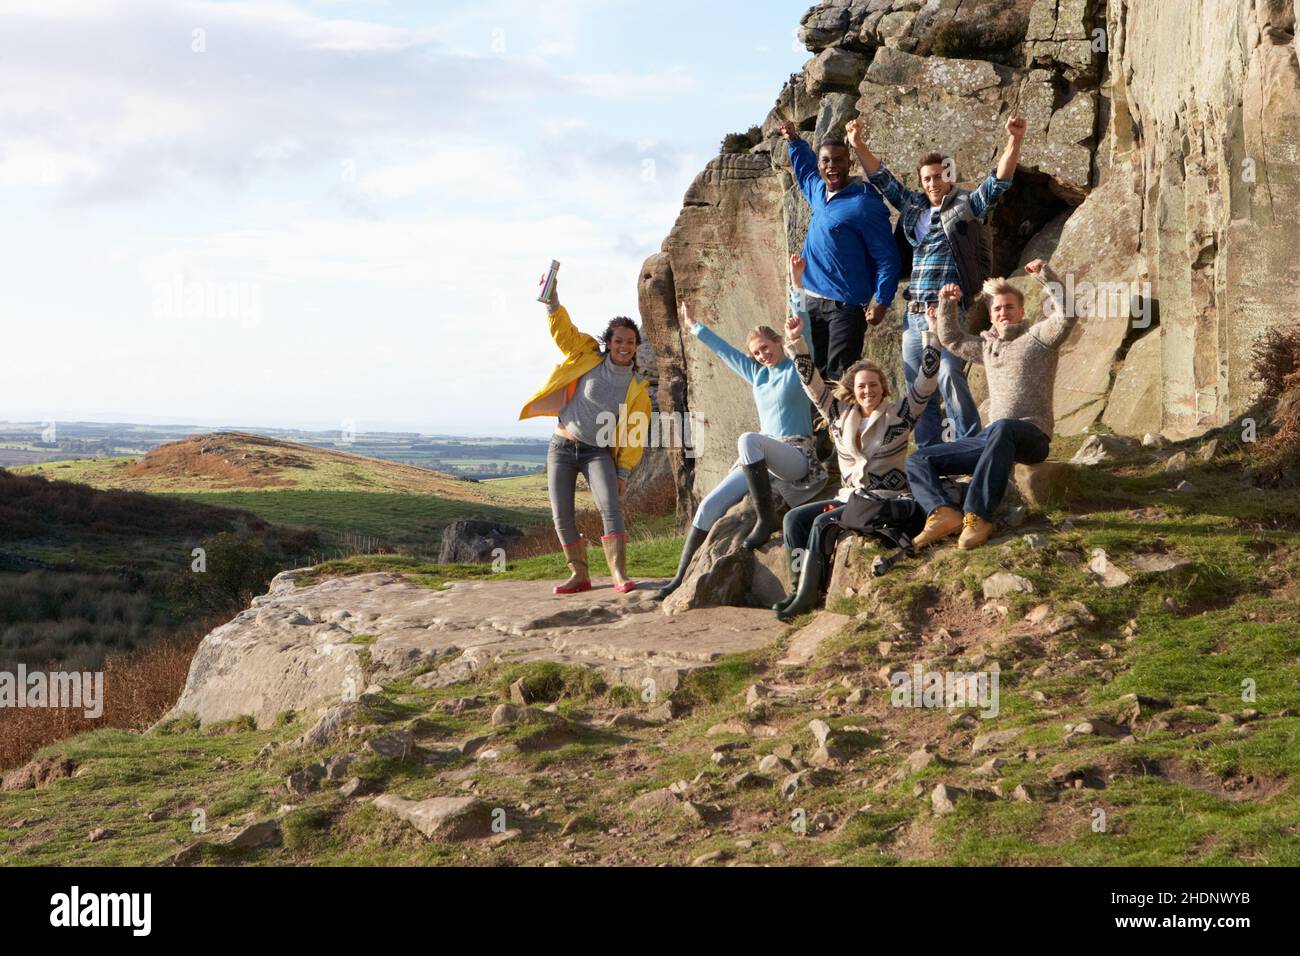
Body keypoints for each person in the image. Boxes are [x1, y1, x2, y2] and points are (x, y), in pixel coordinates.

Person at [775, 253, 940, 620]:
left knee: (820, 523)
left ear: (883, 388)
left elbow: (926, 383)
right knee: (794, 521)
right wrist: (796, 314)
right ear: (853, 389)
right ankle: (798, 586)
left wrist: (930, 333)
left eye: (874, 385)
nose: (868, 391)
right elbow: (809, 379)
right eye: (862, 386)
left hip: (885, 499)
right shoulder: (837, 414)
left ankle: (808, 599)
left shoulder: (899, 415)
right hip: (849, 498)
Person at [846, 113, 1027, 448]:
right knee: (918, 387)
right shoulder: (913, 206)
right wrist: (858, 144)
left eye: (937, 177)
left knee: (948, 374)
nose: (932, 183)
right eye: (926, 179)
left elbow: (997, 184)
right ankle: (931, 452)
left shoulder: (965, 205)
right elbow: (883, 179)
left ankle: (971, 444)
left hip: (948, 313)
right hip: (914, 314)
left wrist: (1014, 140)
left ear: (947, 177)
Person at [653, 298, 828, 601]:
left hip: (796, 456)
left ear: (777, 341)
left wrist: (796, 286)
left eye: (766, 347)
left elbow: (802, 330)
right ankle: (679, 578)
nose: (762, 355)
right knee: (709, 504)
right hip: (760, 455)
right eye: (757, 352)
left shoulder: (797, 368)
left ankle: (766, 519)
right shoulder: (758, 375)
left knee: (748, 438)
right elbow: (725, 353)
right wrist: (694, 326)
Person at [907, 259, 1083, 551]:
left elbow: (1068, 315)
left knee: (1001, 428)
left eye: (1009, 307)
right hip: (994, 439)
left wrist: (1044, 275)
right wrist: (946, 303)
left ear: (1021, 311)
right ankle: (942, 513)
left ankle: (978, 516)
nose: (1004, 312)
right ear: (990, 315)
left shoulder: (1038, 337)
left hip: (1032, 436)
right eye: (998, 308)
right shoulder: (988, 347)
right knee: (918, 458)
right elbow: (951, 339)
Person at [519, 274, 651, 594]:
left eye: (630, 342)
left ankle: (618, 574)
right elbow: (564, 334)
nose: (624, 346)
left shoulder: (637, 391)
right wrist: (552, 303)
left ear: (636, 347)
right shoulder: (587, 356)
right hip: (563, 445)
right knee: (562, 514)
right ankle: (579, 576)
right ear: (609, 342)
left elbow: (634, 437)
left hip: (598, 453)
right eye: (618, 340)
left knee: (611, 507)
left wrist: (622, 472)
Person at [776, 120, 900, 384]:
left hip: (846, 304)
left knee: (840, 376)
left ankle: (842, 426)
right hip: (810, 298)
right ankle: (818, 427)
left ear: (849, 164)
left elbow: (887, 257)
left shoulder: (865, 204)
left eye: (838, 160)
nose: (831, 166)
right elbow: (805, 170)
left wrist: (882, 299)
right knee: (811, 374)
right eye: (826, 161)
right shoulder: (818, 190)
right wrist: (794, 140)